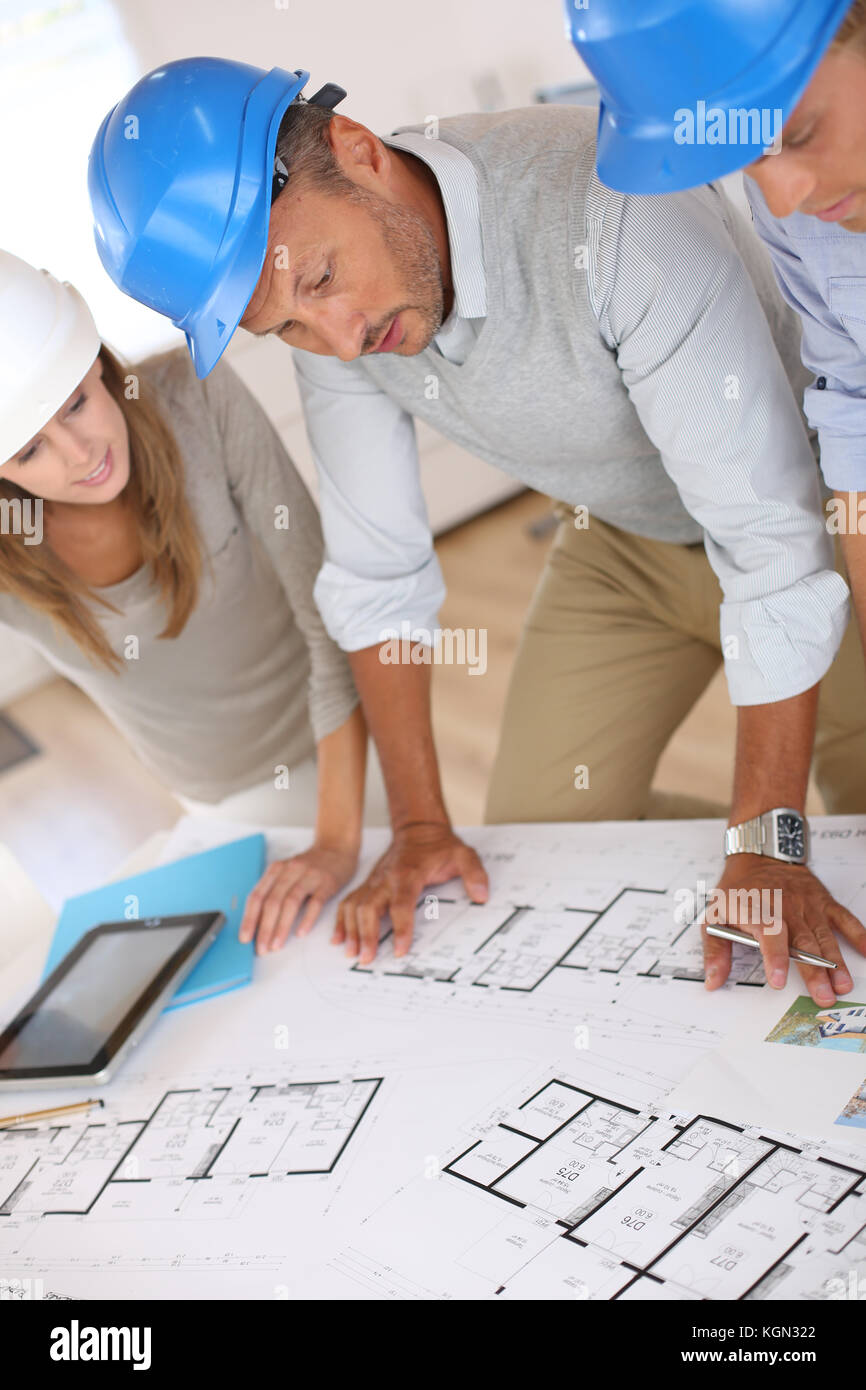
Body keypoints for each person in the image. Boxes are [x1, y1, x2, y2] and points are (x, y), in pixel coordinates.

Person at [86, 58, 866, 1005]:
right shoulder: (339, 324)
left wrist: (767, 842)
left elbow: (769, 543)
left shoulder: (612, 210)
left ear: (359, 152)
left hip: (810, 524)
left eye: (324, 279)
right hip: (624, 543)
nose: (336, 337)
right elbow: (378, 572)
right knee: (543, 838)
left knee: (845, 834)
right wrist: (417, 827)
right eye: (285, 327)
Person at [563, 0, 866, 993]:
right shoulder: (809, 214)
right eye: (744, 160)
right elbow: (853, 413)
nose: (776, 196)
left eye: (797, 134)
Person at [0, 250, 387, 955]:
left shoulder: (194, 395)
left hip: (343, 747)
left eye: (79, 403)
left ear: (95, 362)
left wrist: (336, 841)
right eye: (30, 454)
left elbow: (333, 617)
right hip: (211, 801)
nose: (82, 453)